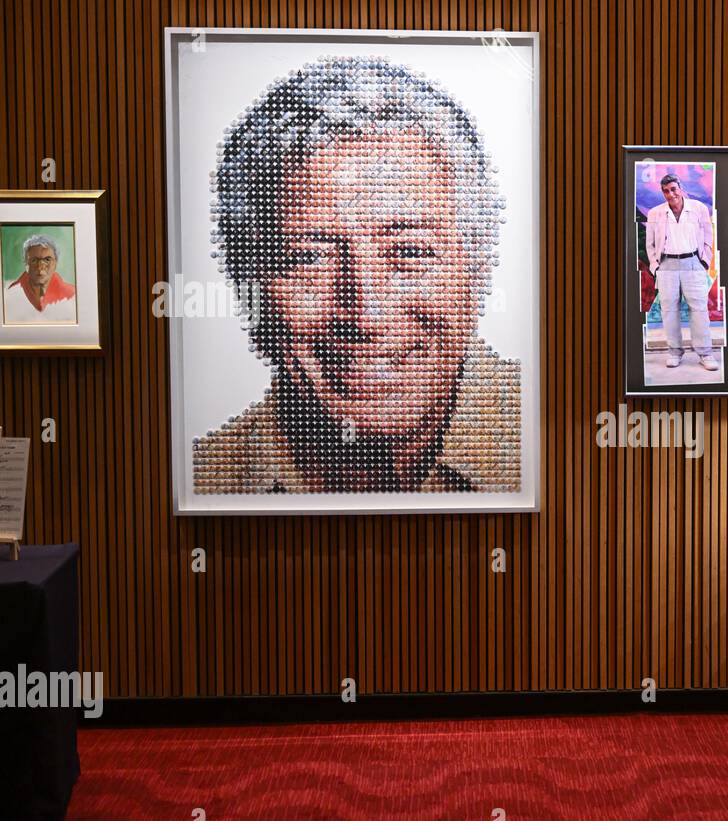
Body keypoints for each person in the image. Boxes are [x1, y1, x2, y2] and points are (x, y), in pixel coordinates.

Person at [192, 56, 521, 495]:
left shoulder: (543, 431)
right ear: (249, 281)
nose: (367, 313)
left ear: (476, 269)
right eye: (310, 259)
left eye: (410, 252)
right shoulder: (207, 479)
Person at [644, 173, 718, 372]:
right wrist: (656, 266)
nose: (671, 194)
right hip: (667, 264)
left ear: (681, 188)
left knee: (699, 309)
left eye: (673, 189)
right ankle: (675, 352)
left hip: (693, 262)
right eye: (666, 191)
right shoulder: (655, 213)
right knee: (669, 311)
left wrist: (703, 261)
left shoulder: (699, 209)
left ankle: (705, 353)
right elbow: (650, 244)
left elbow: (708, 236)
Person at [4, 234, 77, 324]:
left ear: (55, 263)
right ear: (26, 264)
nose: (40, 266)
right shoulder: (10, 294)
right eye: (34, 260)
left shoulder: (72, 296)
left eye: (47, 259)